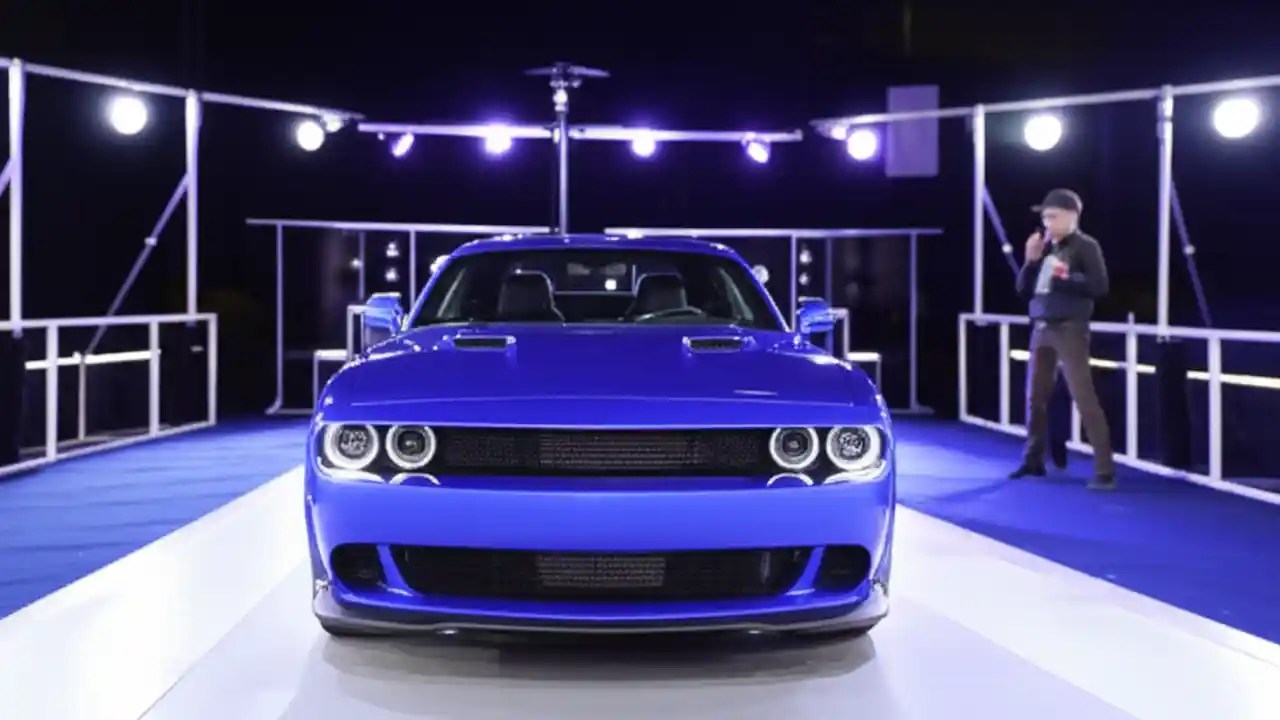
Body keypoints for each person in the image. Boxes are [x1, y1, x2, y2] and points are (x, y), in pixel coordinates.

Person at [1009, 188, 1116, 490]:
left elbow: (1099, 286)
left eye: (1053, 216)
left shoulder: (1086, 246)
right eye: (1045, 217)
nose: (1048, 223)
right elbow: (1023, 289)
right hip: (1041, 326)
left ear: (1072, 216)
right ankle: (1033, 459)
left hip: (1070, 328)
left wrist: (1064, 278)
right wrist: (1030, 262)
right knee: (1035, 398)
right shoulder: (1045, 247)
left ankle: (1105, 469)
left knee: (1084, 396)